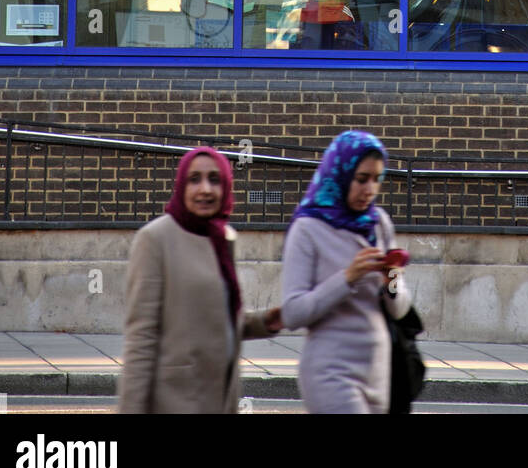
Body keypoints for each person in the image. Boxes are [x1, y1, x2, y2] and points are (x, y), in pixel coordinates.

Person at [118, 145, 282, 414]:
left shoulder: (223, 237)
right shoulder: (155, 239)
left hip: (219, 399)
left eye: (214, 179)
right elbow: (141, 338)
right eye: (195, 179)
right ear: (181, 184)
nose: (205, 189)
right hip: (175, 400)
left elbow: (213, 317)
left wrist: (263, 322)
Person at [280, 129, 411, 414]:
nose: (370, 190)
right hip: (331, 372)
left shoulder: (379, 224)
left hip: (379, 372)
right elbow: (292, 313)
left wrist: (391, 279)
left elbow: (398, 309)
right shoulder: (308, 228)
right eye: (361, 179)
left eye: (377, 179)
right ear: (340, 173)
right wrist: (347, 278)